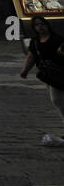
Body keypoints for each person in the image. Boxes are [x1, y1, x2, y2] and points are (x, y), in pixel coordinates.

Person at [19, 15, 64, 144]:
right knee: (59, 101)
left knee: (57, 100)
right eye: (37, 25)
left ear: (47, 25)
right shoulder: (35, 42)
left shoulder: (57, 39)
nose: (40, 27)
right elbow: (31, 56)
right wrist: (25, 70)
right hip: (48, 76)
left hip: (60, 75)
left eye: (42, 24)